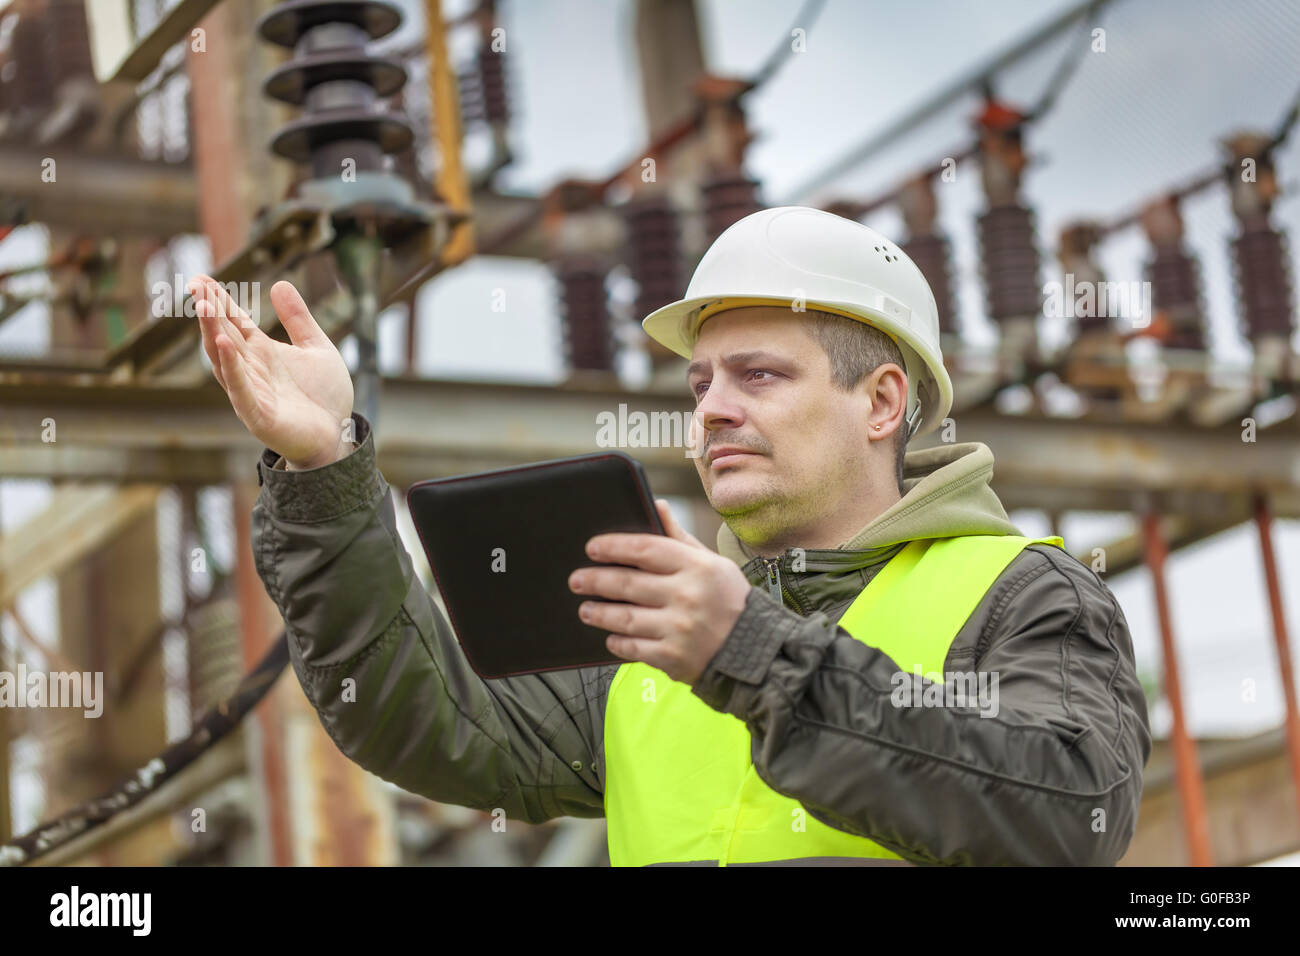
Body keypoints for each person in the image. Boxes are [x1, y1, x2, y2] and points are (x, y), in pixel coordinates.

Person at [188, 205, 1150, 866]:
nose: (714, 410)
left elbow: (1072, 812)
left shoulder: (1022, 595)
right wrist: (325, 477)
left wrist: (751, 654)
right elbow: (425, 719)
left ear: (882, 402)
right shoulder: (656, 636)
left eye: (760, 376)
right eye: (702, 385)